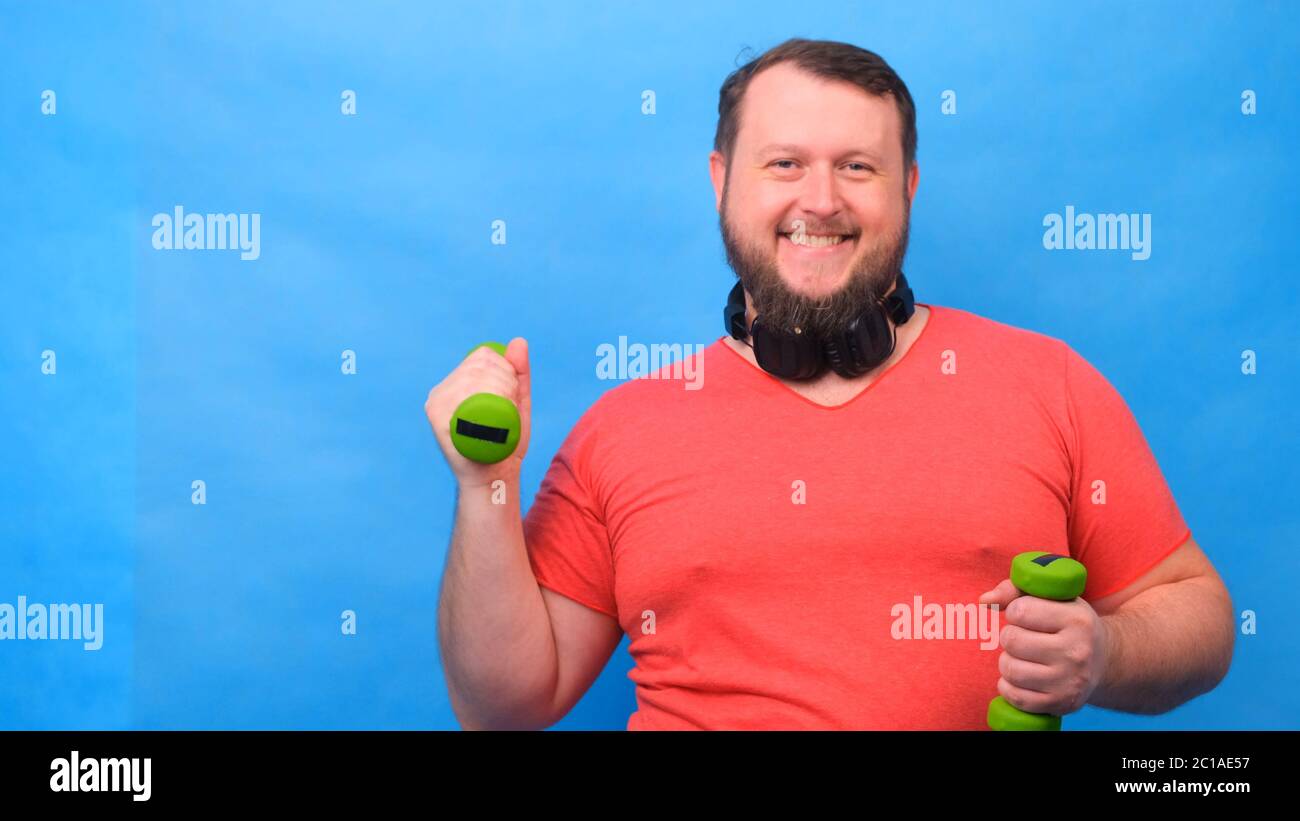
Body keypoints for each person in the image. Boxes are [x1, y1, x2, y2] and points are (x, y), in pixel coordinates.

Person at [425, 38, 1234, 730]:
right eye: (785, 163)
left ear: (908, 187)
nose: (820, 200)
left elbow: (1200, 613)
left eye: (857, 166)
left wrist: (1104, 654)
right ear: (721, 178)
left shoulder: (1047, 382)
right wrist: (484, 487)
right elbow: (502, 707)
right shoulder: (622, 425)